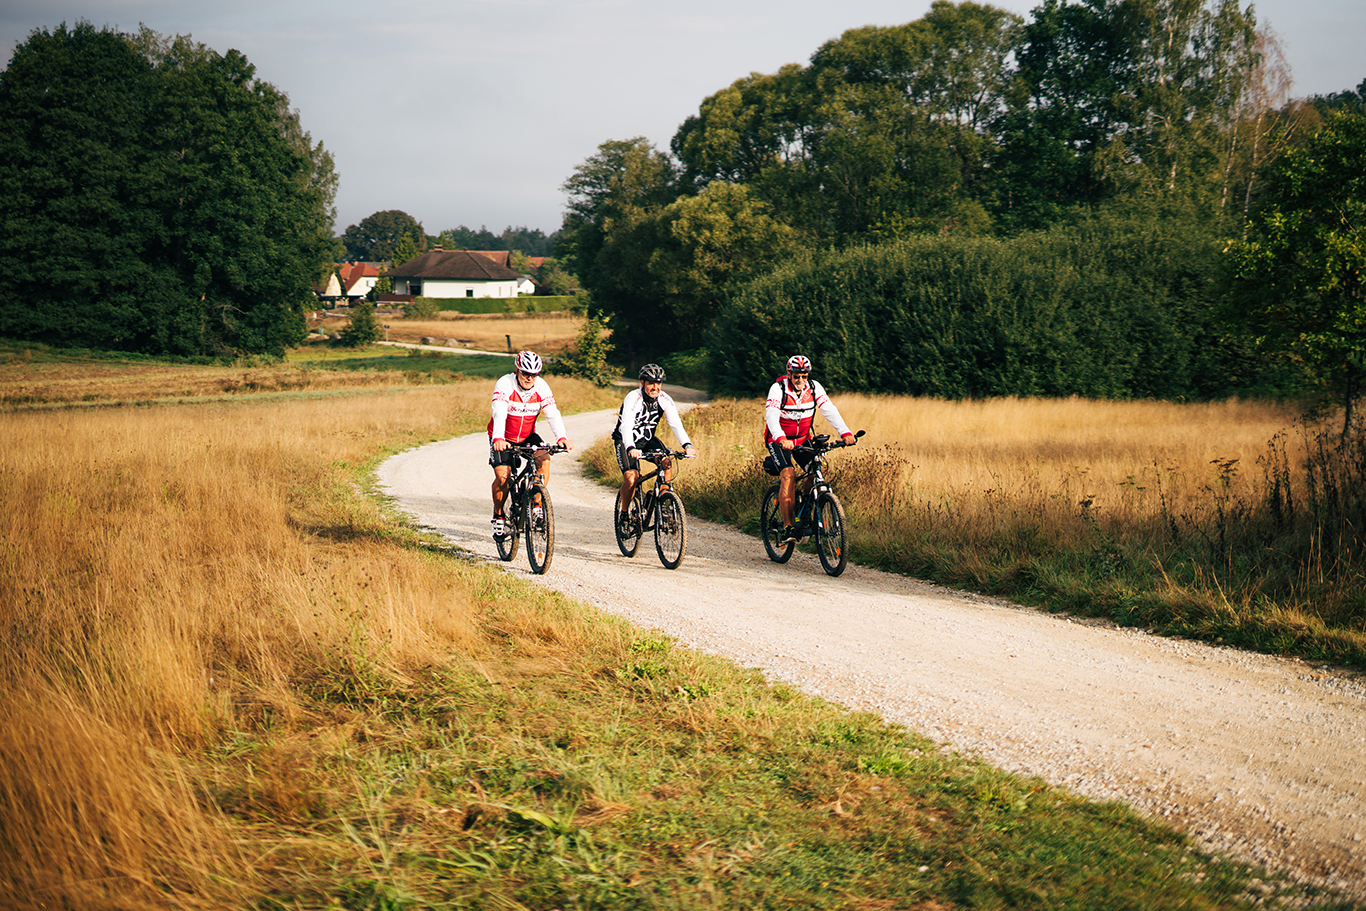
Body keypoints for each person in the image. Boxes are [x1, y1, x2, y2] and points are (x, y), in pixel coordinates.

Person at [764, 354, 856, 541]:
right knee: (788, 475)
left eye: (804, 376)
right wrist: (781, 437)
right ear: (789, 374)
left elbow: (829, 409)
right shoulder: (778, 389)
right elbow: (772, 416)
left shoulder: (814, 388)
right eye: (796, 376)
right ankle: (788, 526)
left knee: (815, 471)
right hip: (778, 440)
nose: (800, 380)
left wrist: (845, 432)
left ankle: (804, 514)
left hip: (803, 439)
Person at [488, 350, 573, 538]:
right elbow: (499, 412)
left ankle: (536, 504)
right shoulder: (505, 383)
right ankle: (499, 515)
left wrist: (561, 437)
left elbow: (552, 412)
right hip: (503, 437)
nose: (530, 378)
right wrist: (499, 438)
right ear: (517, 370)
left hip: (527, 436)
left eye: (534, 374)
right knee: (503, 477)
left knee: (544, 458)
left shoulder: (541, 387)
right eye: (526, 373)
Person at [615, 363, 695, 532]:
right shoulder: (633, 398)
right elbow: (626, 426)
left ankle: (665, 503)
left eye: (658, 383)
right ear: (642, 383)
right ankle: (624, 514)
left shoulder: (664, 399)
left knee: (666, 462)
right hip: (625, 441)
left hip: (647, 440)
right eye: (651, 383)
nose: (655, 387)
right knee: (631, 478)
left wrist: (687, 445)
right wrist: (630, 447)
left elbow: (676, 424)